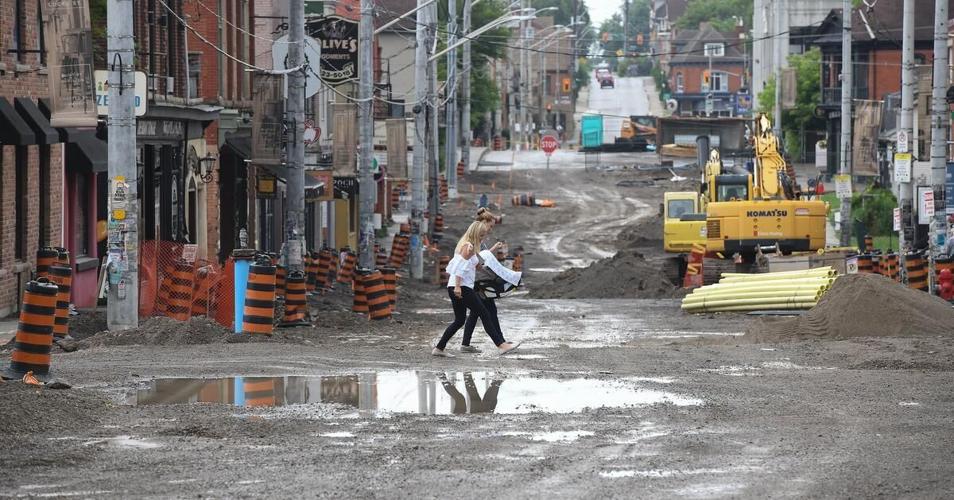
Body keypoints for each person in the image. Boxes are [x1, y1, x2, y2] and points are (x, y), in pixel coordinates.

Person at [432, 220, 520, 357]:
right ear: (474, 234)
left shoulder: (469, 247)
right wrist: (457, 286)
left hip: (457, 286)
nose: (482, 238)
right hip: (462, 287)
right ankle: (501, 345)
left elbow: (478, 266)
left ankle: (439, 348)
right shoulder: (468, 246)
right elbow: (460, 266)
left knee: (460, 320)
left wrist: (497, 275)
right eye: (481, 235)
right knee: (484, 313)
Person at [460, 209, 504, 353]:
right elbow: (477, 260)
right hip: (477, 282)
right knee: (488, 311)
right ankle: (501, 342)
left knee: (477, 312)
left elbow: (481, 257)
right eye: (490, 226)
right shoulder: (474, 239)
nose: (490, 230)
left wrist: (493, 249)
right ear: (483, 223)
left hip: (477, 281)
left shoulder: (478, 238)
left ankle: (466, 344)